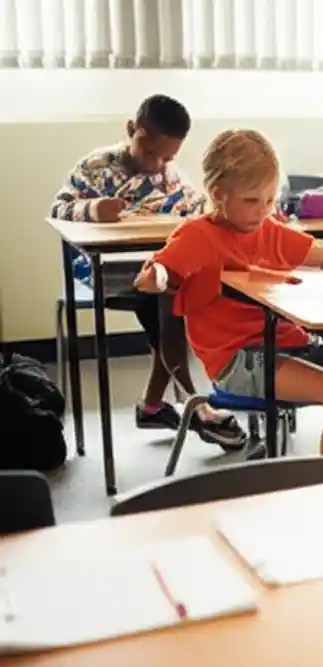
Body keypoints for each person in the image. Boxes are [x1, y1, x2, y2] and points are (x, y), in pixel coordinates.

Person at [135, 129, 323, 462]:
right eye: (251, 201)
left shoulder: (267, 229)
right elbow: (152, 277)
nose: (262, 211)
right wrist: (158, 277)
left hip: (292, 346)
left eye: (270, 201)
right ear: (218, 195)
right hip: (237, 361)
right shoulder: (197, 236)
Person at [50, 94, 246, 449]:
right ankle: (193, 402)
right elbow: (58, 208)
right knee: (167, 294)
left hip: (154, 264)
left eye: (167, 157)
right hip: (102, 267)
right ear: (131, 130)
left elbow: (194, 211)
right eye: (150, 152)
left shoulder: (168, 176)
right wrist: (94, 209)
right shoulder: (96, 166)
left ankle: (159, 404)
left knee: (184, 288)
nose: (157, 164)